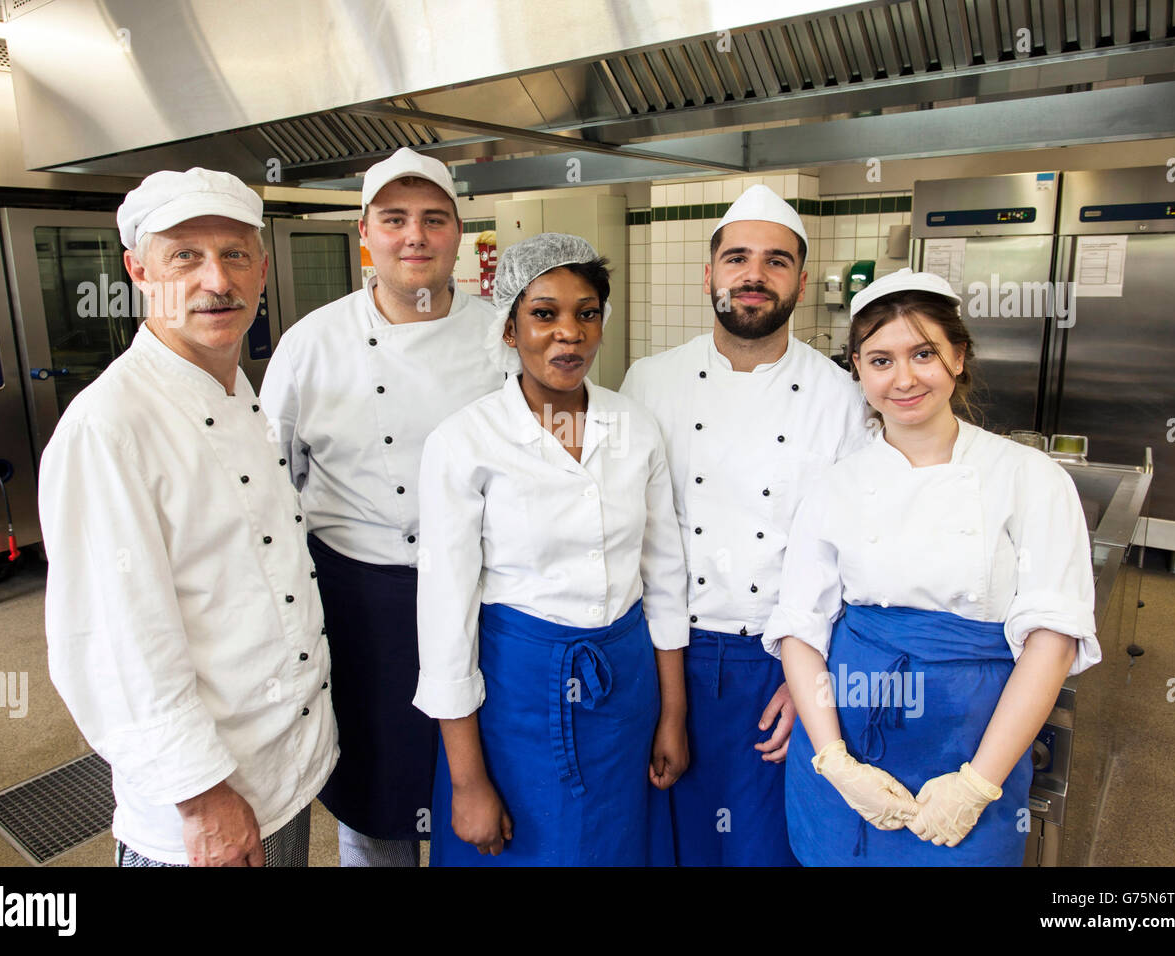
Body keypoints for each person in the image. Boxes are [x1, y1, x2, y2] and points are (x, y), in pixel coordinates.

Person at [40, 167, 337, 867]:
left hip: (276, 776)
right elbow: (113, 645)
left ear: (261, 269)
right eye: (185, 257)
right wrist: (203, 799)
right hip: (199, 810)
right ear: (138, 271)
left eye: (235, 254)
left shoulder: (235, 387)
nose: (216, 281)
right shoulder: (109, 426)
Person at [763, 268, 1099, 866]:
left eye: (924, 353)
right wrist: (835, 763)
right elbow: (800, 628)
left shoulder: (1030, 478)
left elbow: (1053, 639)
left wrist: (977, 784)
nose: (905, 378)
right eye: (880, 360)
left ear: (958, 357)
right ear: (859, 370)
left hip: (974, 743)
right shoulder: (835, 487)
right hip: (845, 736)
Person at [260, 147, 502, 867]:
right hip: (362, 604)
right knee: (377, 796)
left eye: (433, 219)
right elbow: (274, 490)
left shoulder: (503, 336)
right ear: (366, 232)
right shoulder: (311, 345)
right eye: (394, 219)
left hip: (485, 596)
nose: (414, 236)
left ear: (458, 233)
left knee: (487, 791)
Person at [414, 233, 690, 866]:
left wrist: (672, 713)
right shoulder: (466, 441)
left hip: (625, 692)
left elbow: (664, 578)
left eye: (586, 312)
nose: (569, 332)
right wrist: (466, 781)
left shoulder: (634, 427)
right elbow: (445, 618)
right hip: (517, 702)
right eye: (544, 314)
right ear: (510, 330)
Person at [620, 184, 872, 866]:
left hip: (780, 661)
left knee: (765, 849)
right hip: (665, 654)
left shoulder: (842, 398)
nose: (753, 275)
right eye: (736, 258)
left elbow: (855, 555)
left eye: (775, 261)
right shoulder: (648, 382)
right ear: (709, 275)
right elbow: (629, 533)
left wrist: (809, 678)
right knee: (668, 842)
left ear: (799, 279)